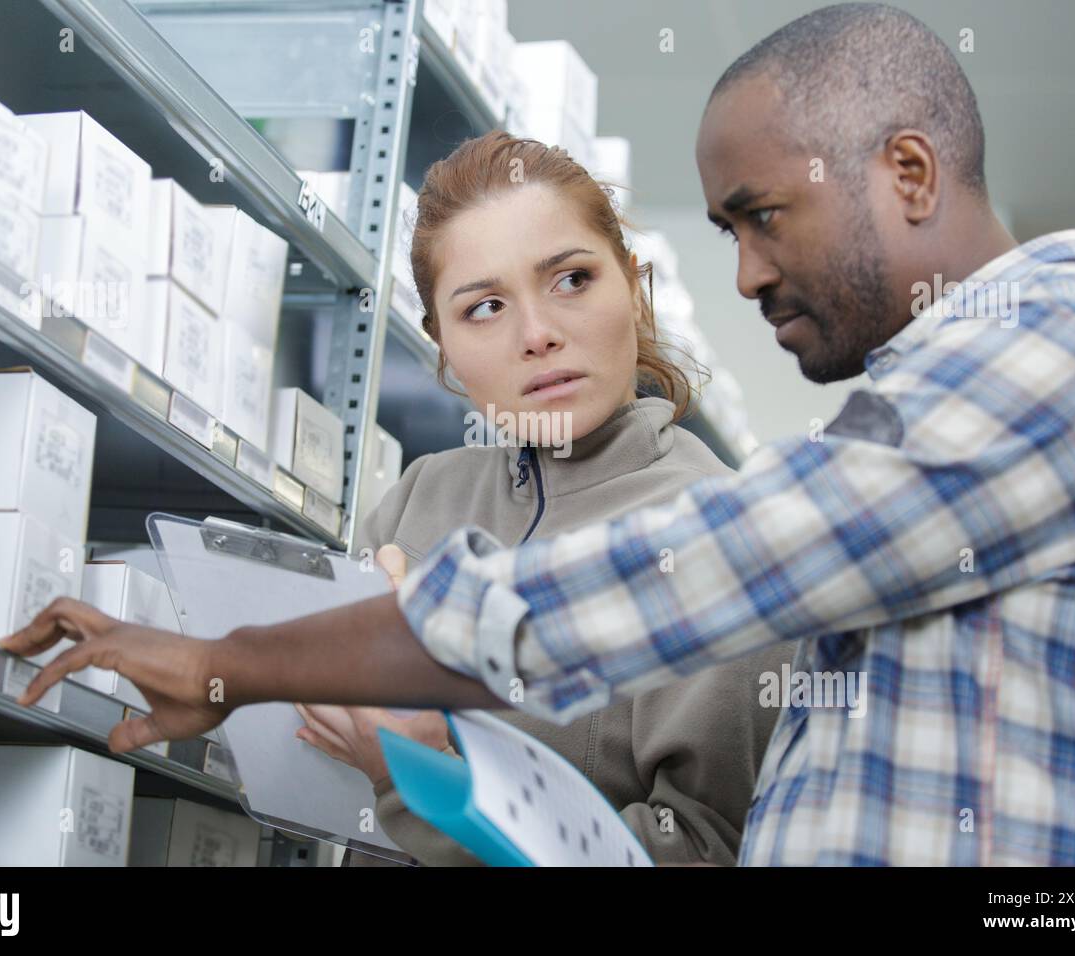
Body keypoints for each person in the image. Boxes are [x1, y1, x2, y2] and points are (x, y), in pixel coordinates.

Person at [0, 3, 1075, 866]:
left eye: (762, 217)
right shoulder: (955, 389)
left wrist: (249, 666)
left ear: (907, 170)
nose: (752, 272)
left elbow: (682, 578)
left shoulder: (1052, 355)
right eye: (483, 305)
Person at [294, 131, 790, 866]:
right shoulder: (420, 499)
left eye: (571, 280)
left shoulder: (724, 537)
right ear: (444, 346)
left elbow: (701, 849)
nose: (537, 335)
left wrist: (434, 776)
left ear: (633, 285)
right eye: (485, 307)